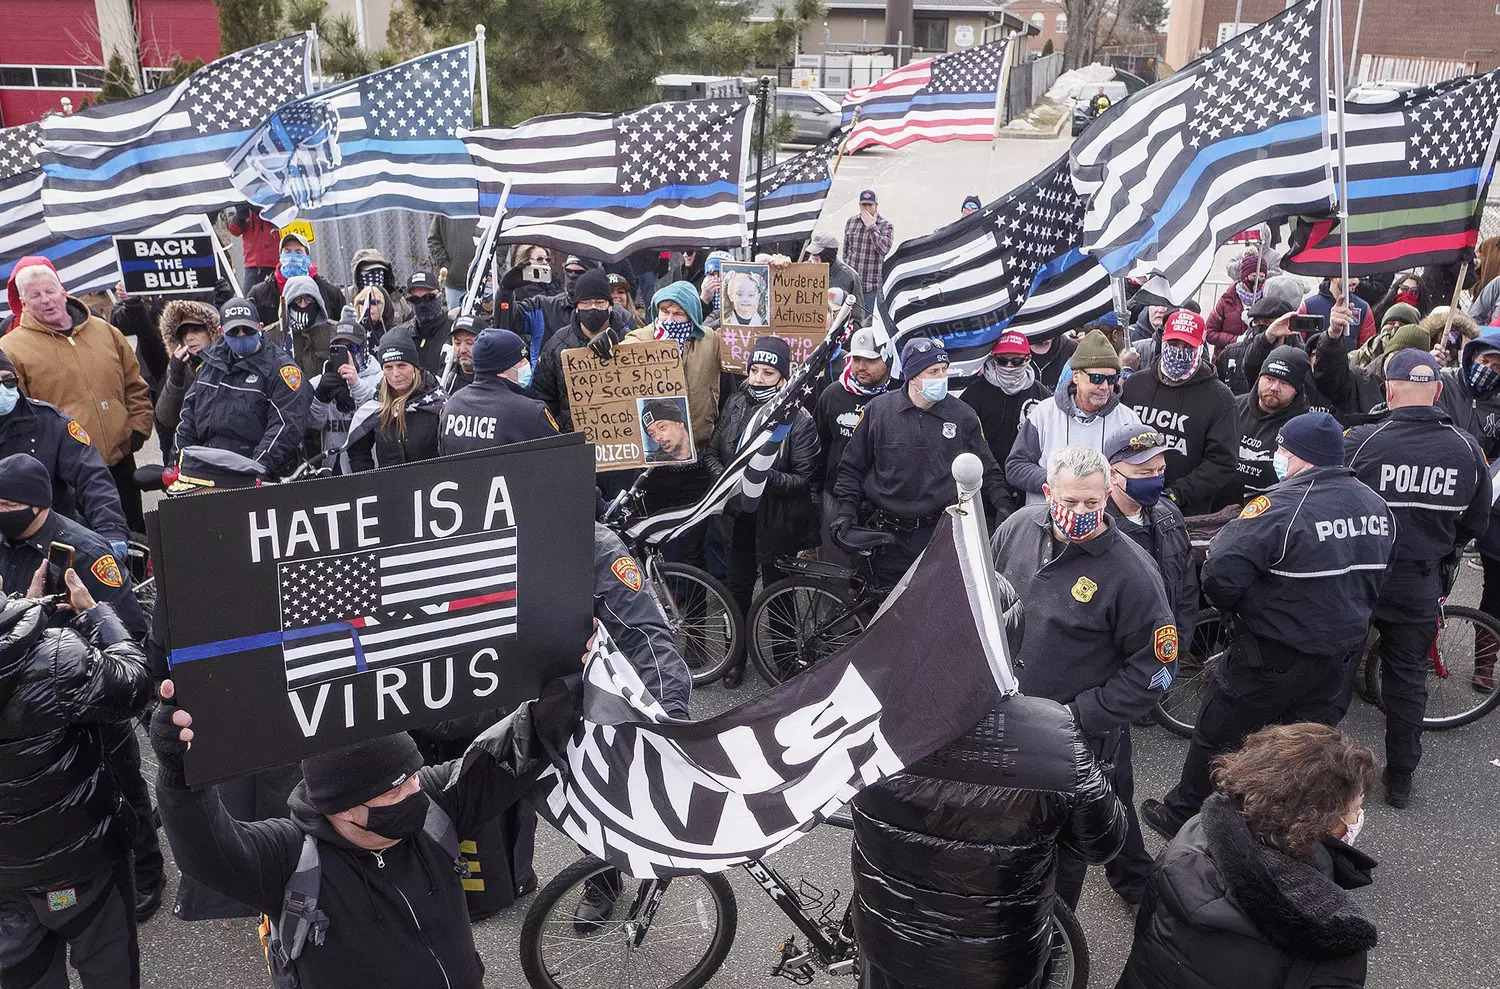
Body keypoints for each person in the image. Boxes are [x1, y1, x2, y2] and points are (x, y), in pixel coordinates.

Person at [148, 676, 574, 989]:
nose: (416, 790)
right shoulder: (289, 856)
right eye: (396, 789)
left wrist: (574, 676)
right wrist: (177, 770)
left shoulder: (433, 804)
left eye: (411, 774)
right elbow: (205, 848)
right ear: (343, 806)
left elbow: (519, 744)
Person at [850, 590, 1129, 989]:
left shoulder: (863, 715)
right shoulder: (1051, 734)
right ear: (1008, 645)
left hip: (889, 946)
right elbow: (1101, 845)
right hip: (997, 961)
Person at [1143, 412, 1396, 840]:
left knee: (1219, 731)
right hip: (1339, 657)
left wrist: (1237, 611)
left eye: (1281, 450)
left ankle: (1184, 814)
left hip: (1272, 652)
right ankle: (1276, 830)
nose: (1276, 457)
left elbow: (1220, 571)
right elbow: (1379, 574)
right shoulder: (1376, 506)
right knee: (1303, 751)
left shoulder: (1280, 505)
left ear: (1300, 457)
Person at [990, 444, 1178, 907]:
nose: (1080, 513)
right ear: (1048, 491)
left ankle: (1055, 940)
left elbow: (1157, 668)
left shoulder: (1132, 572)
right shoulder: (1015, 529)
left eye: (1092, 503)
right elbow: (983, 596)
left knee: (1066, 849)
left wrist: (1083, 715)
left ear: (1108, 495)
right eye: (1069, 501)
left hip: (1077, 738)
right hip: (1009, 722)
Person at [1120, 724, 1378, 989]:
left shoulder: (1197, 830)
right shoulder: (1335, 940)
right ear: (1322, 820)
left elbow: (1146, 928)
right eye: (1356, 807)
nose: (1358, 817)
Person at [1343, 350, 1490, 807]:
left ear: (1389, 389)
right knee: (1407, 679)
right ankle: (1401, 777)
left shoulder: (1364, 440)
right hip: (1420, 578)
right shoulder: (1467, 448)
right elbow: (1475, 522)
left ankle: (1311, 772)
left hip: (1360, 575)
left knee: (1332, 667)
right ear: (1439, 392)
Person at [0, 552, 151, 989]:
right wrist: (97, 614)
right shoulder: (57, 657)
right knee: (110, 970)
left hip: (6, 883)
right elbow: (135, 684)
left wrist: (23, 617)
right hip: (82, 867)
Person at [834, 337, 1005, 588]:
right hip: (887, 534)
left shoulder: (963, 416)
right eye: (933, 371)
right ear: (913, 376)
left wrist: (1002, 505)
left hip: (940, 532)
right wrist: (846, 510)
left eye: (944, 369)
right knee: (885, 610)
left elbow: (987, 468)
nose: (942, 376)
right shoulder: (878, 411)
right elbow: (851, 466)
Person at [1, 259, 154, 535]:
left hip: (120, 463)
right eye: (35, 295)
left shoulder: (105, 331)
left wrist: (137, 430)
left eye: (49, 291)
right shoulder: (11, 349)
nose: (45, 300)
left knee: (135, 540)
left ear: (62, 290)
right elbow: (16, 415)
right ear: (23, 301)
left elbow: (135, 385)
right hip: (65, 477)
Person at [704, 337, 819, 687]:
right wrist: (727, 480)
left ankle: (784, 661)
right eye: (753, 370)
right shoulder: (735, 404)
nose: (757, 378)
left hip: (777, 521)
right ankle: (734, 658)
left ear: (784, 378)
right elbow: (713, 452)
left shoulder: (799, 419)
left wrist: (761, 478)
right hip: (737, 517)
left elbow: (803, 478)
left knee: (778, 595)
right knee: (735, 591)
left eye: (767, 372)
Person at [622, 283, 728, 564]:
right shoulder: (640, 338)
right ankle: (666, 597)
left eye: (678, 313)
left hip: (698, 454)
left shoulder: (711, 341)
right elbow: (617, 360)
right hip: (653, 461)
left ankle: (693, 596)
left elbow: (748, 346)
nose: (669, 319)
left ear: (692, 315)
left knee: (693, 538)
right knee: (656, 534)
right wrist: (604, 350)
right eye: (664, 311)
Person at [0, 351, 129, 556]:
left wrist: (111, 530)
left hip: (54, 540)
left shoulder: (49, 422)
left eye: (8, 380)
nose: (3, 389)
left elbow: (92, 476)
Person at [174, 298, 312, 480]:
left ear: (260, 327)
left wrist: (256, 469)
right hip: (207, 467)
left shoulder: (281, 370)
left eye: (247, 329)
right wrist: (179, 462)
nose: (241, 335)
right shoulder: (210, 363)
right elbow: (188, 418)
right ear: (221, 331)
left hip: (255, 470)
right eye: (233, 330)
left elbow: (287, 426)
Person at [1007, 328, 1145, 506]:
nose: (1104, 386)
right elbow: (1015, 467)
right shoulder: (1044, 413)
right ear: (1076, 376)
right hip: (1045, 522)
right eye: (1096, 378)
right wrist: (1059, 482)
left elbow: (1139, 472)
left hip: (1104, 523)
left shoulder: (1129, 420)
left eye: (1112, 379)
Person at [1120, 310, 1239, 515]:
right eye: (1173, 344)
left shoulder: (1220, 399)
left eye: (1187, 346)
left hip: (1183, 511)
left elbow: (1222, 462)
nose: (1179, 351)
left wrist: (1177, 494)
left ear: (1200, 348)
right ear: (1163, 341)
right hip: (1128, 502)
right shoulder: (1135, 385)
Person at [1104, 427, 1198, 649]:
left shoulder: (1169, 514)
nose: (1156, 480)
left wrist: (1179, 645)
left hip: (1164, 648)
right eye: (1144, 473)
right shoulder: (1097, 526)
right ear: (1113, 474)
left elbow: (1187, 586)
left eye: (1161, 470)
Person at [813, 326, 891, 566]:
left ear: (887, 358)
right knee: (834, 571)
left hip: (884, 501)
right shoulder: (832, 394)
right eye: (856, 358)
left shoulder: (900, 396)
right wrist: (815, 493)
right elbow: (820, 446)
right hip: (836, 497)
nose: (860, 366)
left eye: (870, 359)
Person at [959, 330, 1050, 514]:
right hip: (984, 489)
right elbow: (965, 443)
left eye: (1016, 361)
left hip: (1028, 489)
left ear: (1028, 358)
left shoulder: (1041, 395)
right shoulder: (975, 393)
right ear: (993, 358)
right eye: (1002, 360)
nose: (1009, 366)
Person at [533, 268, 633, 431]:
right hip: (574, 440)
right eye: (586, 303)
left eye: (600, 303)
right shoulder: (557, 344)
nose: (593, 308)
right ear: (576, 307)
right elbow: (543, 398)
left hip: (623, 436)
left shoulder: (630, 340)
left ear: (609, 306)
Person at [1216, 344, 1313, 508]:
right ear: (1260, 378)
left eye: (1284, 383)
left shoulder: (1304, 427)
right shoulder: (1232, 407)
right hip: (1215, 511)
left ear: (1297, 389)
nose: (1274, 387)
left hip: (1269, 515)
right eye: (1269, 379)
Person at [438, 328, 556, 455]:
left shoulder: (451, 406)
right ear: (501, 371)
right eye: (520, 361)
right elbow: (559, 460)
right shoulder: (531, 413)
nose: (526, 364)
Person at [345, 334, 446, 471]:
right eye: (388, 367)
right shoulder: (376, 407)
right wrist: (369, 482)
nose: (395, 374)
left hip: (430, 486)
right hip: (390, 488)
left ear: (414, 367)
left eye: (402, 365)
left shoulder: (438, 403)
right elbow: (357, 450)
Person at [308, 317, 382, 473]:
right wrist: (320, 398)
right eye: (338, 348)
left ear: (364, 348)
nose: (347, 354)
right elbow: (312, 424)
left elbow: (381, 419)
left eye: (352, 348)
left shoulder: (381, 378)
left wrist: (356, 384)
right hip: (332, 466)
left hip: (371, 465)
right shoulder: (319, 381)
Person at [152, 299, 222, 449]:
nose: (189, 338)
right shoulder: (180, 366)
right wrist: (175, 378)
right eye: (184, 333)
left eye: (196, 330)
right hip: (188, 449)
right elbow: (165, 419)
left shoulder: (228, 363)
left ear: (212, 331)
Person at [246, 231, 345, 334]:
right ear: (280, 256)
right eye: (288, 252)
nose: (293, 257)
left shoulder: (330, 293)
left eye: (298, 252)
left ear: (307, 257)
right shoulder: (259, 294)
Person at [388, 270, 454, 379]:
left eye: (428, 297)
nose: (422, 304)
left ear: (440, 296)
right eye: (415, 299)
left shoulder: (454, 332)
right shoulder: (401, 335)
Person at [272, 274, 336, 381]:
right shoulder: (272, 336)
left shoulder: (334, 332)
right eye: (297, 300)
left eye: (308, 300)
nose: (303, 305)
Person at [1204, 252, 1273, 349]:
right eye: (1254, 276)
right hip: (1227, 357)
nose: (1258, 281)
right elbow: (1209, 333)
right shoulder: (1227, 300)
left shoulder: (1266, 301)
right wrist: (1236, 340)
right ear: (1244, 277)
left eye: (1262, 277)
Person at [842, 189, 894, 318]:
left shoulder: (886, 225)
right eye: (863, 205)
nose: (866, 208)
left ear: (876, 206)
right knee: (848, 321)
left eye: (869, 205)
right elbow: (846, 250)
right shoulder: (851, 222)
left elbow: (884, 249)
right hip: (851, 286)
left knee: (868, 323)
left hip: (871, 287)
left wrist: (871, 227)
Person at [1299, 277, 1374, 350]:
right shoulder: (1308, 307)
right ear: (1334, 277)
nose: (1356, 281)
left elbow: (1368, 350)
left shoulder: (1363, 308)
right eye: (1350, 276)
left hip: (1351, 361)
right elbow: (1299, 345)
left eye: (1358, 276)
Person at [801, 231, 863, 318]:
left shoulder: (850, 277)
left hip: (836, 329)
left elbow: (858, 315)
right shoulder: (803, 270)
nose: (811, 257)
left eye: (816, 254)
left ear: (829, 254)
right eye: (811, 253)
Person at [427, 215, 480, 309]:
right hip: (454, 284)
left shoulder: (486, 206)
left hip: (483, 283)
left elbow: (501, 240)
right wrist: (445, 265)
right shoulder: (445, 210)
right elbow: (433, 239)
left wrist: (491, 268)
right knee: (455, 320)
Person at [1349, 301, 1422, 368]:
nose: (1396, 327)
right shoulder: (1359, 356)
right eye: (1391, 323)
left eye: (1403, 325)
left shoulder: (1421, 360)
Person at [227, 204, 281, 293]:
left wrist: (260, 210)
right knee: (249, 301)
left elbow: (285, 216)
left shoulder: (277, 192)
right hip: (253, 264)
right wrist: (240, 218)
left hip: (278, 263)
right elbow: (234, 230)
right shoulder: (239, 197)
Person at [447, 314, 479, 392]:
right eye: (457, 343)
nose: (462, 350)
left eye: (469, 343)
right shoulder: (446, 377)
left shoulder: (496, 381)